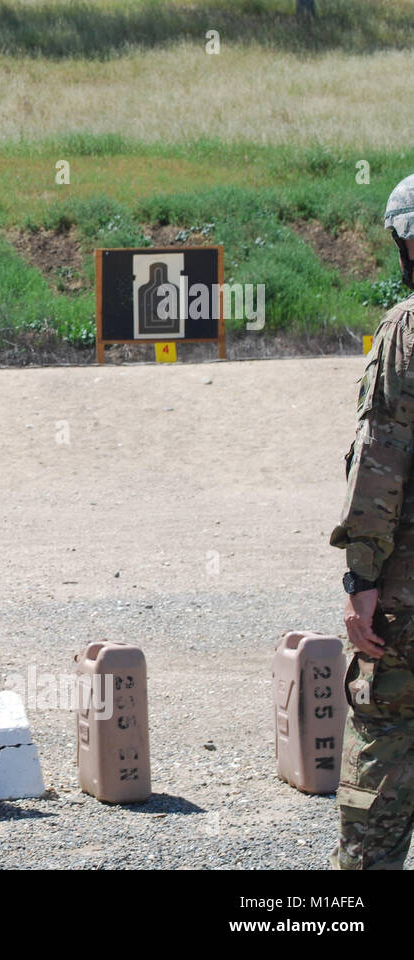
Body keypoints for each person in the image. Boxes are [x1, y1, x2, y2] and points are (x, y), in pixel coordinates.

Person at [329, 172, 414, 870]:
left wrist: (361, 582)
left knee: (377, 806)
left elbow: (380, 466)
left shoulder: (404, 333)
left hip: (406, 611)